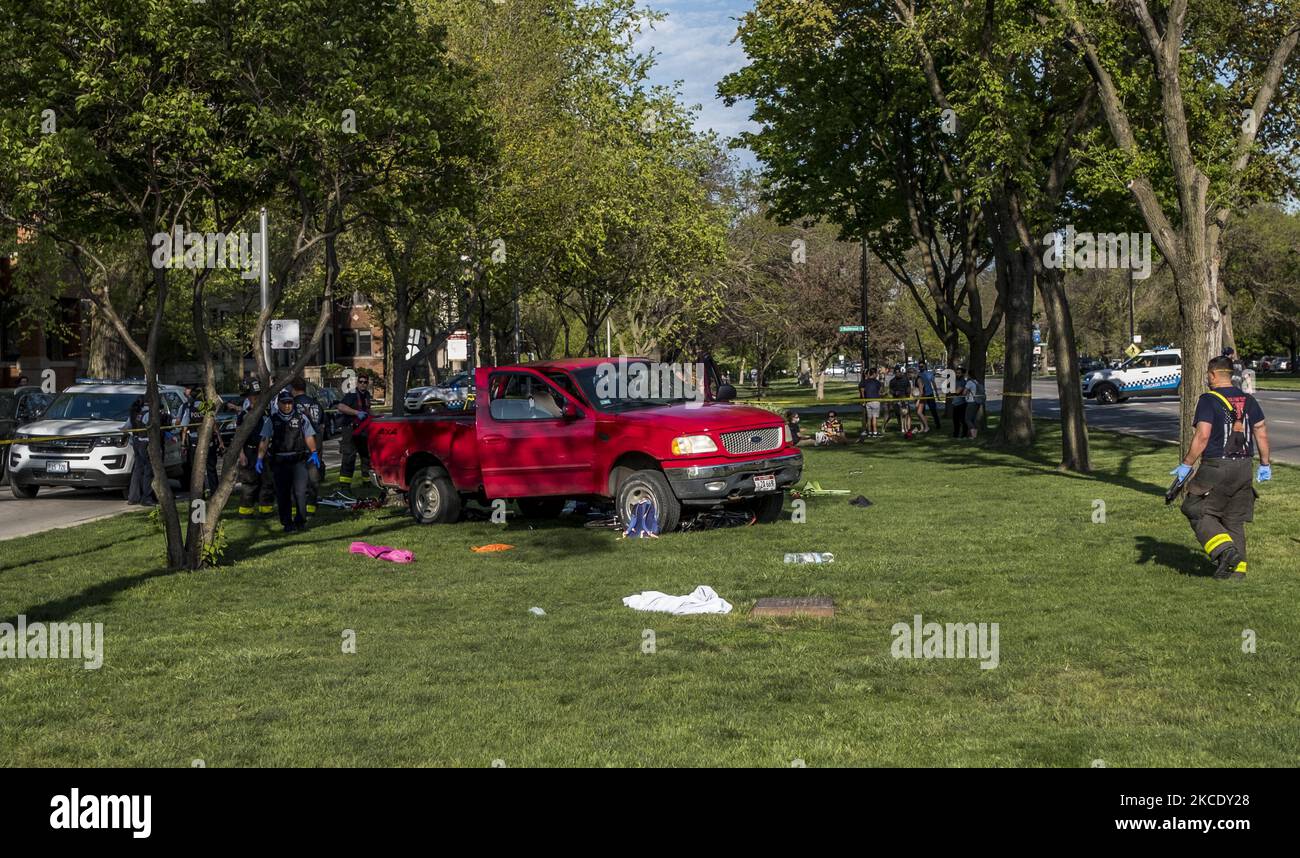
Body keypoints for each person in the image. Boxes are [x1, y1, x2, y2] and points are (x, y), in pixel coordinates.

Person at [1171, 356, 1271, 581]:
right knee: (1233, 518)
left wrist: (1186, 464)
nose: (1207, 378)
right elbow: (1261, 431)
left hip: (1217, 464)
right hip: (1244, 466)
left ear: (1214, 375)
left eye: (1208, 374)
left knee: (1193, 508)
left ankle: (1225, 552)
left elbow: (1203, 435)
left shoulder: (1208, 400)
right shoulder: (1248, 400)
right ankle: (1237, 573)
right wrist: (1265, 464)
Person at [257, 390, 321, 533]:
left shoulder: (301, 418)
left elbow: (309, 436)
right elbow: (265, 440)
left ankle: (300, 521)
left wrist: (314, 452)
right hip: (280, 462)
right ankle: (287, 523)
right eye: (284, 403)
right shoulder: (271, 420)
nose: (287, 406)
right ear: (279, 404)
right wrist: (259, 459)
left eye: (290, 402)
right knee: (283, 494)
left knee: (300, 492)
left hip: (298, 461)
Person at [235, 379, 275, 516]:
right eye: (252, 397)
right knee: (248, 483)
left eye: (255, 396)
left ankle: (266, 510)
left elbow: (265, 438)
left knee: (266, 482)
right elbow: (238, 438)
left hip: (263, 452)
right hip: (249, 451)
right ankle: (246, 511)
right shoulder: (243, 415)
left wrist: (260, 458)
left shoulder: (265, 415)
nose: (253, 399)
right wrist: (241, 455)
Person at [290, 377, 325, 514]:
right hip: (316, 441)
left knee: (295, 476)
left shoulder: (291, 404)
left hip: (299, 441)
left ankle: (295, 507)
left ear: (293, 389)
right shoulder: (316, 404)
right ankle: (311, 506)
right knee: (313, 476)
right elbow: (322, 425)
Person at [336, 375, 373, 487]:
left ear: (367, 383)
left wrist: (376, 417)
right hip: (350, 429)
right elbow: (341, 406)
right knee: (349, 456)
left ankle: (367, 481)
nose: (363, 384)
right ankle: (344, 485)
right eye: (361, 382)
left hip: (362, 429)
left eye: (365, 382)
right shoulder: (352, 394)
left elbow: (368, 409)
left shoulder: (366, 395)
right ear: (357, 383)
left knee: (365, 455)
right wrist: (357, 413)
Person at [125, 396, 155, 506]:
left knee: (137, 469)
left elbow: (126, 427)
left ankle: (133, 497)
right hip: (145, 443)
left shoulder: (134, 413)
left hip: (136, 442)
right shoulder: (149, 414)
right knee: (148, 470)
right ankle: (146, 497)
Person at [858, 369, 883, 438]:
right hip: (875, 401)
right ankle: (874, 432)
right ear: (874, 374)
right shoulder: (877, 382)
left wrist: (863, 400)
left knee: (869, 418)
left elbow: (862, 391)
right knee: (874, 417)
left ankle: (869, 432)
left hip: (868, 401)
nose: (877, 375)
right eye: (876, 373)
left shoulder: (864, 382)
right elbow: (880, 392)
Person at [888, 365, 912, 436]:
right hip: (896, 400)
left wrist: (908, 392)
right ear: (894, 373)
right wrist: (894, 392)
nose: (897, 373)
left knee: (907, 414)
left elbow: (909, 387)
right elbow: (890, 390)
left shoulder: (905, 379)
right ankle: (901, 427)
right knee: (899, 415)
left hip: (905, 399)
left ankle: (908, 429)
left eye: (899, 372)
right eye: (896, 372)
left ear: (901, 372)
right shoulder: (892, 381)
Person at [918, 362, 940, 430]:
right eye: (920, 366)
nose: (921, 367)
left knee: (933, 410)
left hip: (930, 394)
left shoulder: (929, 374)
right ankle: (925, 426)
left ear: (925, 366)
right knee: (922, 412)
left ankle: (938, 425)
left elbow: (934, 384)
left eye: (922, 366)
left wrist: (936, 394)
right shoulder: (918, 375)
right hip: (922, 396)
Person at [962, 371, 982, 439]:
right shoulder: (976, 382)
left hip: (971, 402)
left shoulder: (969, 382)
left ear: (969, 376)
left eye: (967, 375)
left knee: (967, 419)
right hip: (977, 402)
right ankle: (973, 435)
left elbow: (964, 393)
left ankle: (973, 436)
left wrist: (964, 390)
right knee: (972, 418)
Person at [950, 367, 968, 438]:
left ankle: (964, 434)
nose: (957, 374)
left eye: (959, 373)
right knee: (955, 420)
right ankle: (956, 434)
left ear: (963, 374)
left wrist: (953, 391)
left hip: (962, 404)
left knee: (963, 420)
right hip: (955, 403)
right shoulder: (955, 381)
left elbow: (957, 392)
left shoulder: (963, 381)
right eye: (956, 373)